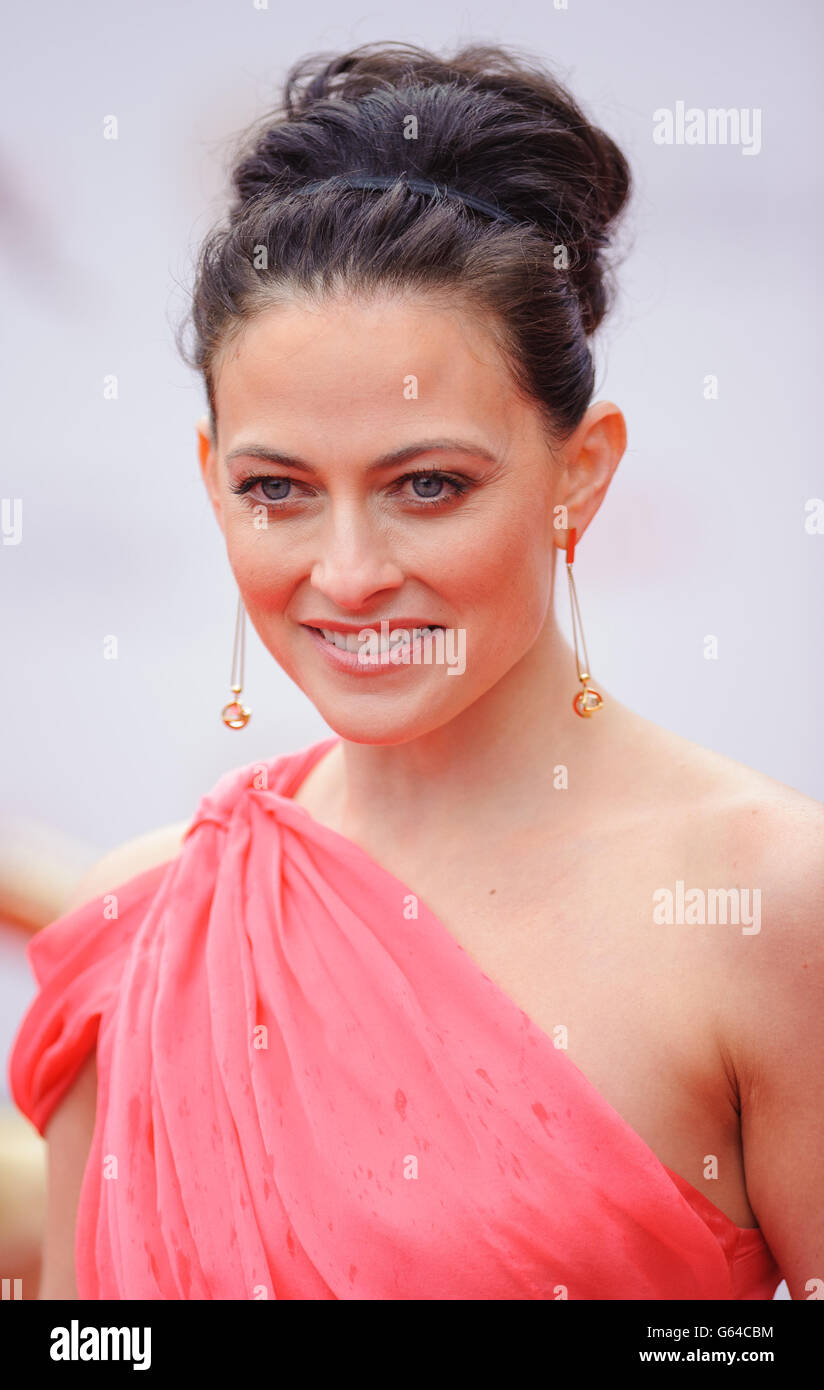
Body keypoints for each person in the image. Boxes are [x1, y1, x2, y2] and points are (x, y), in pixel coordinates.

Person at [8, 40, 823, 1301]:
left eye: (426, 485)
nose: (347, 573)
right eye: (275, 490)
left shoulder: (770, 906)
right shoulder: (140, 927)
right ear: (209, 477)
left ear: (579, 476)